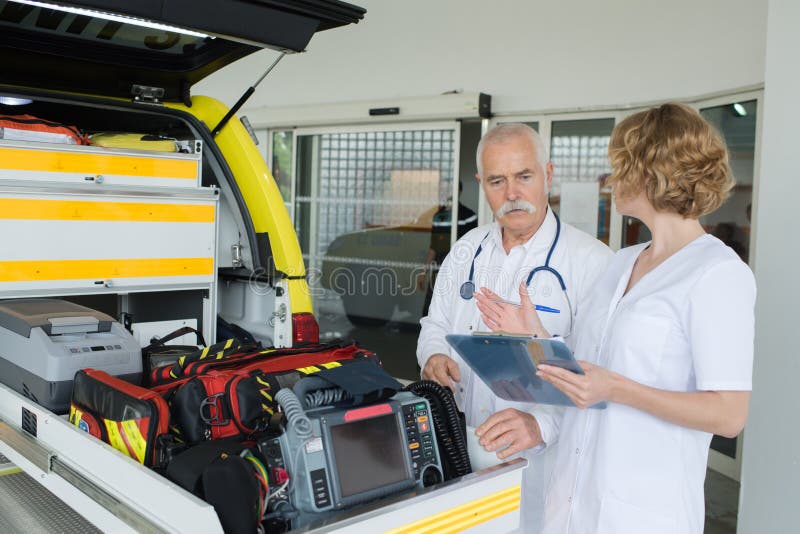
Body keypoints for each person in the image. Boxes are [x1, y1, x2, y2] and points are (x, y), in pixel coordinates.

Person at [476, 103, 755, 533]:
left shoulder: (717, 272)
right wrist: (535, 334)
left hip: (641, 509)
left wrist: (619, 389)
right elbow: (587, 369)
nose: (609, 179)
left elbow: (729, 414)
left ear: (652, 171)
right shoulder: (621, 263)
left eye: (619, 165)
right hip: (571, 499)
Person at [416, 123, 613, 533]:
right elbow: (433, 323)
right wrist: (433, 355)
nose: (512, 194)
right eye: (497, 181)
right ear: (480, 184)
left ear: (548, 175)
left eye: (524, 176)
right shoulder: (466, 249)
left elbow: (601, 377)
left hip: (541, 463)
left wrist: (541, 424)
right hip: (462, 445)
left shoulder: (591, 262)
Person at [417, 182, 479, 316]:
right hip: (438, 269)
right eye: (444, 190)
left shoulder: (469, 216)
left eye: (451, 190)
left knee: (454, 312)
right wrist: (423, 272)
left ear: (460, 191)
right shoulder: (438, 217)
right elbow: (433, 247)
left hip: (460, 271)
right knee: (430, 312)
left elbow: (474, 250)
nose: (447, 194)